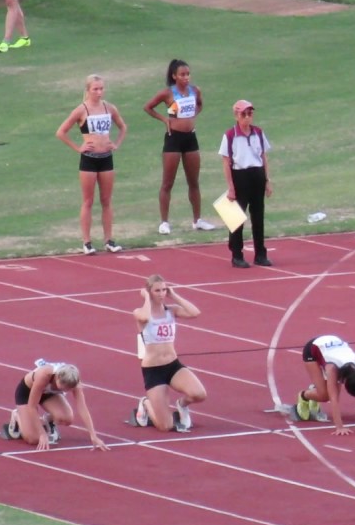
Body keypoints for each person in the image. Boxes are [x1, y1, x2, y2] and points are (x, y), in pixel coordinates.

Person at [55, 74, 128, 255]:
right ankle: (87, 242)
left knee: (106, 200)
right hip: (89, 159)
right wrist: (78, 148)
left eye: (101, 88)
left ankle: (109, 240)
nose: (99, 92)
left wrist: (116, 144)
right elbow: (61, 132)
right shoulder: (82, 110)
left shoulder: (109, 108)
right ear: (87, 90)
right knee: (88, 201)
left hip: (106, 158)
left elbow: (123, 127)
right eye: (95, 89)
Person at [144, 59, 217, 236]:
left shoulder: (195, 91)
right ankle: (164, 222)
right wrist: (165, 120)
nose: (186, 77)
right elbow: (148, 107)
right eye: (182, 75)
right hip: (173, 139)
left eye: (188, 74)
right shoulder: (168, 93)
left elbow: (199, 104)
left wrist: (192, 117)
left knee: (194, 181)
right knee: (167, 182)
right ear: (174, 76)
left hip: (190, 138)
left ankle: (197, 220)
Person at [132, 274, 207, 432]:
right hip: (153, 370)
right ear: (149, 292)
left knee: (199, 394)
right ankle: (146, 403)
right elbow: (145, 317)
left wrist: (174, 295)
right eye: (157, 291)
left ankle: (182, 405)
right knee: (165, 426)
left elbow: (195, 312)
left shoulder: (171, 311)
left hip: (173, 366)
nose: (161, 294)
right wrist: (147, 298)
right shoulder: (139, 312)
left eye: (164, 290)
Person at [2, 358, 108, 452]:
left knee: (66, 418)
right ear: (57, 377)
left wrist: (93, 435)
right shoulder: (44, 375)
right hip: (27, 393)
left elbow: (82, 408)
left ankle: (47, 420)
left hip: (48, 393)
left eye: (68, 389)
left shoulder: (74, 381)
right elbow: (32, 406)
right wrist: (42, 434)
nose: (66, 390)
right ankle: (17, 416)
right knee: (33, 439)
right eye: (63, 388)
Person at [296, 335, 355, 435]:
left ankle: (316, 389)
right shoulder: (332, 369)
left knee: (328, 390)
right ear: (344, 380)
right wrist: (340, 427)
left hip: (332, 344)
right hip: (313, 348)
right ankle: (304, 396)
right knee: (325, 396)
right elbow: (334, 399)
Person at [219, 100, 273, 268]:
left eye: (250, 113)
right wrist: (231, 187)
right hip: (240, 176)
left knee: (258, 216)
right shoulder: (230, 135)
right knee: (236, 218)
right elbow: (226, 162)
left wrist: (267, 181)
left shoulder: (258, 132)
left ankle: (260, 254)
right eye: (244, 114)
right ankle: (237, 255)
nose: (247, 117)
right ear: (236, 115)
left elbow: (263, 157)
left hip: (257, 174)